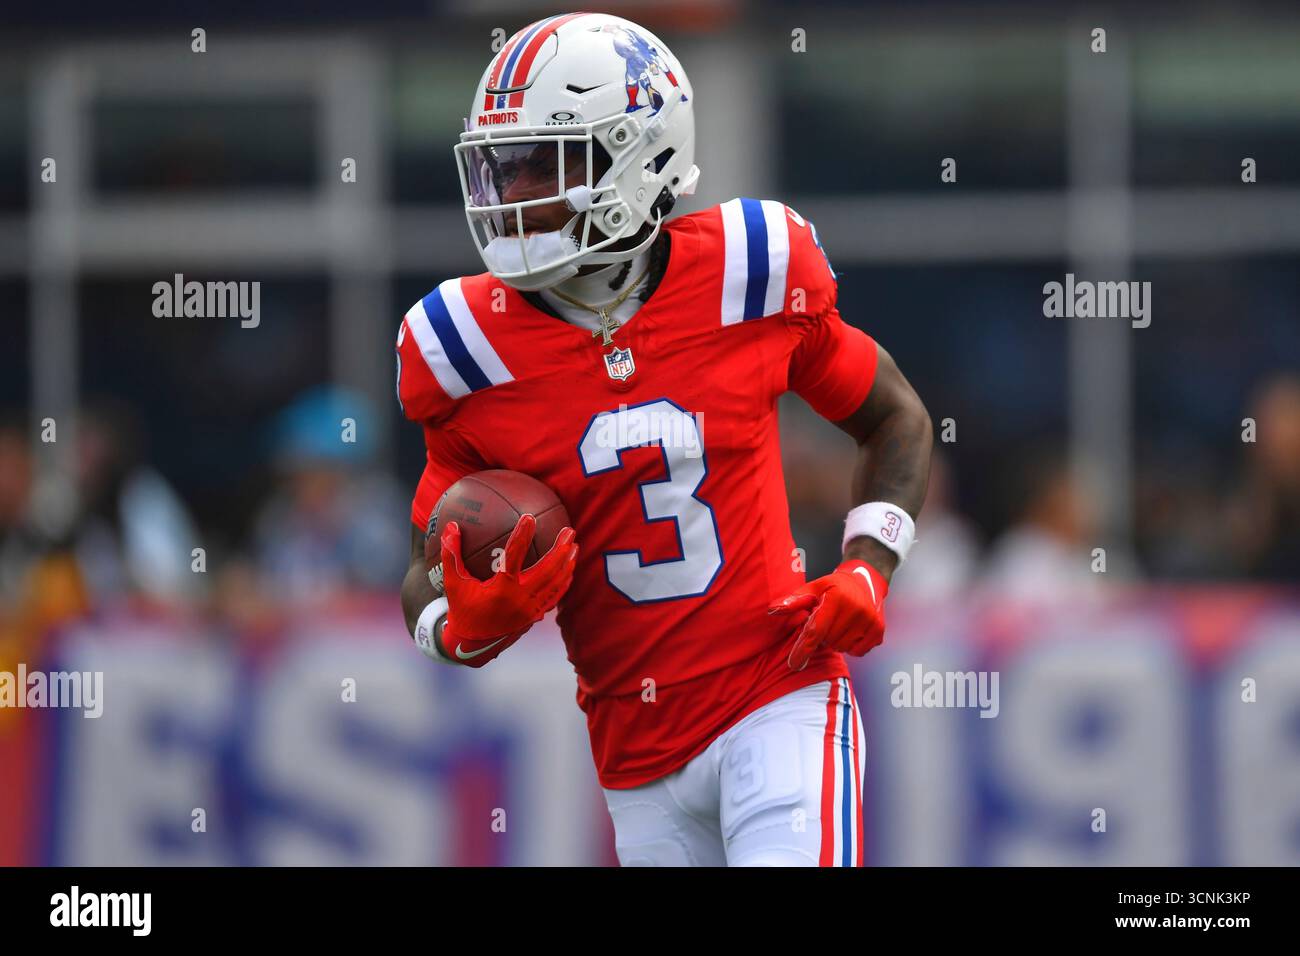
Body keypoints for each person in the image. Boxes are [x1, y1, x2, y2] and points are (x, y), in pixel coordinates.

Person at [395, 13, 932, 866]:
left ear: (634, 156)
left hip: (778, 698)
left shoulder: (747, 270)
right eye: (504, 166)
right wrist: (454, 627)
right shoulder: (464, 348)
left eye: (546, 163)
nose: (516, 191)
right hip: (634, 759)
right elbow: (426, 569)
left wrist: (871, 562)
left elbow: (895, 413)